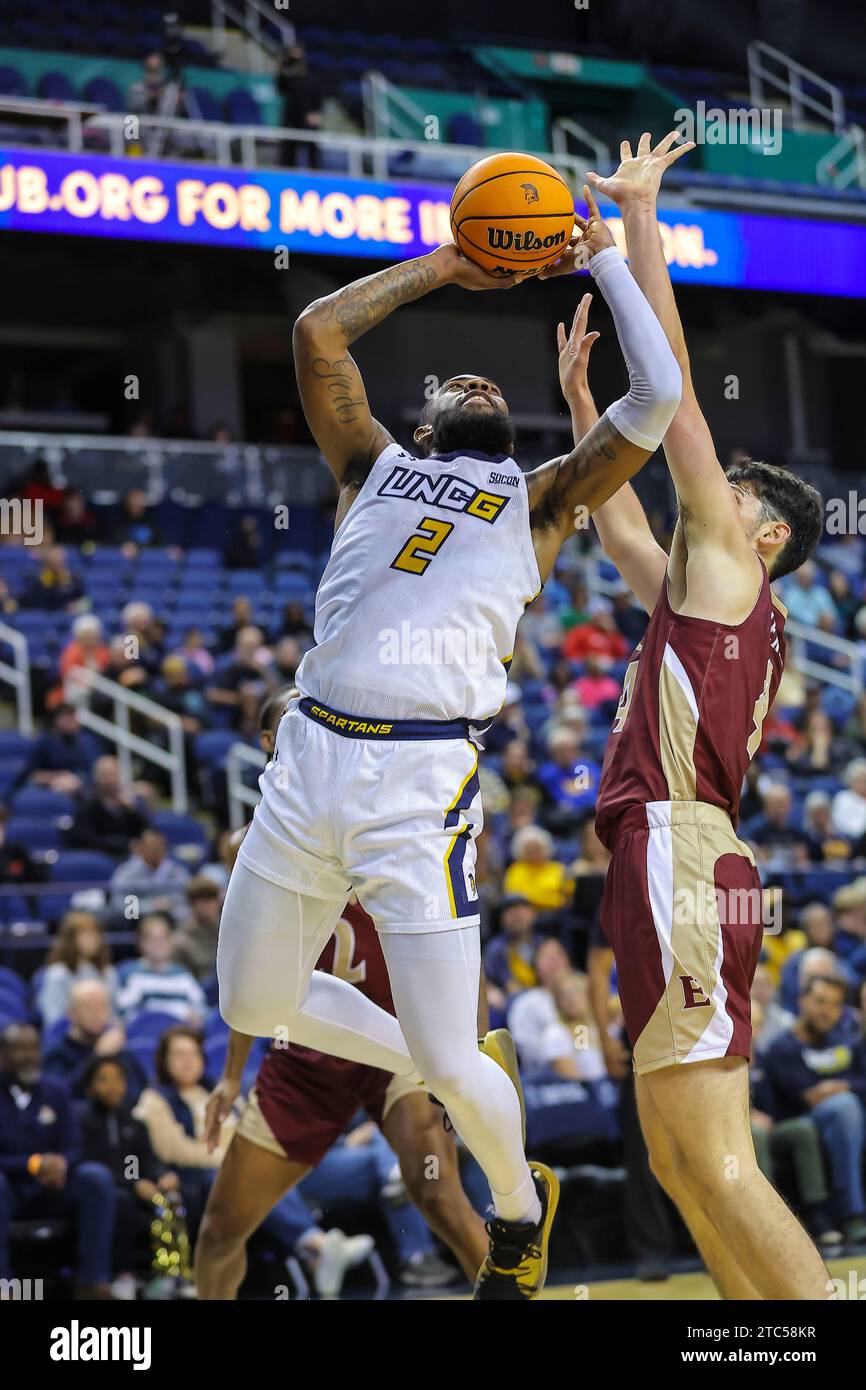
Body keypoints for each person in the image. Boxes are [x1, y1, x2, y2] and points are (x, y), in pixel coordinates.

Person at [216, 180, 683, 1298]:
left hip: (420, 781)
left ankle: (519, 1213)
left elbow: (658, 394)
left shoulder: (535, 501)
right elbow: (316, 330)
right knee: (249, 1006)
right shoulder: (369, 467)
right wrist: (453, 264)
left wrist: (601, 257)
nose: (474, 382)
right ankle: (448, 1061)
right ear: (420, 427)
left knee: (439, 1065)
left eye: (488, 384)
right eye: (455, 382)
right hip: (308, 755)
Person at [563, 130, 828, 1297]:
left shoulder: (732, 564)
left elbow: (666, 383)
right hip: (660, 853)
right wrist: (582, 406)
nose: (713, 492)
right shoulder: (691, 594)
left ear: (761, 532)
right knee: (677, 1158)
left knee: (713, 1158)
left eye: (733, 490)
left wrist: (632, 224)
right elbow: (616, 522)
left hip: (678, 846)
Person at [197, 899, 489, 1298]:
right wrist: (231, 1076)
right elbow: (251, 966)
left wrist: (473, 1053)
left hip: (395, 1039)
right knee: (220, 1232)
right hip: (304, 1056)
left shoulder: (404, 842)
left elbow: (463, 949)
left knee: (438, 1194)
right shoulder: (263, 845)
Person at [134, 1026, 369, 1294]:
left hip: (236, 1165)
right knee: (248, 1176)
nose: (188, 1061)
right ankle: (316, 1245)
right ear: (163, 1060)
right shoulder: (154, 1099)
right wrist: (232, 1159)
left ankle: (316, 1250)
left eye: (194, 1054)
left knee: (268, 1172)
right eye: (179, 1055)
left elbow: (250, 1129)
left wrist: (246, 1158)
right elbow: (174, 1150)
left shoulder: (217, 1089)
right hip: (195, 1180)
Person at [0, 1023, 117, 1298]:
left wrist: (59, 1164)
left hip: (53, 1187)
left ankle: (93, 1282)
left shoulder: (57, 1091)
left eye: (33, 1048)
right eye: (20, 1049)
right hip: (11, 1190)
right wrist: (33, 1164)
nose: (29, 1056)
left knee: (96, 1177)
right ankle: (4, 1286)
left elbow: (74, 1147)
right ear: (3, 1056)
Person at [764, 977, 866, 1244]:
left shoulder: (846, 1042)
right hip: (804, 1124)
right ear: (802, 1001)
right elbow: (810, 1096)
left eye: (835, 1005)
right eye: (820, 1002)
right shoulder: (782, 1048)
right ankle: (851, 1213)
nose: (826, 1011)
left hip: (848, 1119)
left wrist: (842, 1084)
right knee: (845, 1107)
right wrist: (848, 1088)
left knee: (847, 1107)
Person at [79, 1055, 190, 1299]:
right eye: (103, 1079)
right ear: (90, 1085)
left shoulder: (135, 1122)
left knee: (175, 1195)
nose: (112, 1086)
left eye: (118, 1079)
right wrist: (133, 1183)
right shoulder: (83, 1121)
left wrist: (163, 1176)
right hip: (109, 1192)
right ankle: (124, 1274)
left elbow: (148, 1160)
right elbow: (89, 1166)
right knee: (122, 1201)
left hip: (142, 1187)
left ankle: (173, 1274)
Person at [43, 980, 148, 1100]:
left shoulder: (120, 1052)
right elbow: (60, 1095)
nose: (96, 1013)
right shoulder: (56, 1052)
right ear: (71, 1013)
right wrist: (98, 1056)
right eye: (88, 1007)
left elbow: (140, 1093)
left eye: (102, 1006)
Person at [117, 913, 206, 1024]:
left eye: (162, 939)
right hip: (147, 1033)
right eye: (152, 940)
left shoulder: (183, 975)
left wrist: (196, 1016)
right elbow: (125, 1012)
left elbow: (201, 1006)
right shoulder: (132, 974)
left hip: (179, 1032)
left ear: (170, 942)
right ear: (141, 943)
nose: (157, 945)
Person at [37, 910, 118, 1030]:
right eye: (85, 935)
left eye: (95, 934)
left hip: (103, 1037)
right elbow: (53, 1019)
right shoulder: (57, 975)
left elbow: (114, 1015)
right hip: (69, 1039)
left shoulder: (108, 972)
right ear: (70, 940)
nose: (92, 940)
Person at [68, 755, 150, 858]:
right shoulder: (87, 805)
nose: (109, 780)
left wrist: (133, 810)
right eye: (104, 775)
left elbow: (148, 832)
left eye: (112, 774)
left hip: (130, 857)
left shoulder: (131, 804)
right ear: (96, 778)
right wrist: (125, 844)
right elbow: (86, 839)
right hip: (99, 858)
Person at [110, 828, 190, 917]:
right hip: (136, 919)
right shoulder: (126, 872)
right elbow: (118, 903)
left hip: (171, 918)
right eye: (150, 845)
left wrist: (170, 907)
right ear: (140, 847)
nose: (155, 849)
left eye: (159, 845)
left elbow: (185, 902)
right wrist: (151, 907)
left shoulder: (178, 871)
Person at [277, 44, 323, 169]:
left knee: (312, 150)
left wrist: (316, 113)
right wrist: (285, 62)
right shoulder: (289, 78)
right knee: (288, 150)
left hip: (308, 117)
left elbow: (318, 97)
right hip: (291, 117)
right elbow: (280, 88)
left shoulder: (311, 79)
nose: (297, 63)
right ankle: (286, 173)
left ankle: (316, 173)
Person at [172, 876, 222, 981]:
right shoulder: (181, 940)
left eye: (212, 898)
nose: (208, 905)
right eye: (202, 900)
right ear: (192, 904)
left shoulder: (226, 933)